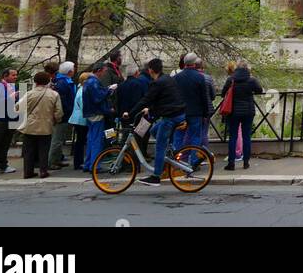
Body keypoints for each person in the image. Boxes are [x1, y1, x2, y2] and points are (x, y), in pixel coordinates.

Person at [127, 58, 185, 186]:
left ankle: (156, 176)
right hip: (178, 114)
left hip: (171, 117)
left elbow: (146, 99)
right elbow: (166, 99)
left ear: (150, 70)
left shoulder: (157, 83)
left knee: (159, 145)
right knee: (154, 130)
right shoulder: (168, 79)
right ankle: (169, 153)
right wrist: (151, 109)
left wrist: (130, 113)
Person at [16, 71, 63, 179]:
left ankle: (28, 172)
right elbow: (58, 111)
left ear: (35, 81)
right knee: (44, 150)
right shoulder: (54, 94)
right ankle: (43, 171)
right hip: (46, 125)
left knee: (29, 150)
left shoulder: (29, 94)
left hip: (30, 126)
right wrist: (56, 120)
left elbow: (17, 108)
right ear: (48, 81)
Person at [220, 59, 263, 171]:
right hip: (248, 111)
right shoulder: (251, 79)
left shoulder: (231, 79)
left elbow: (223, 93)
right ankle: (246, 162)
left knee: (233, 137)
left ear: (237, 68)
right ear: (247, 68)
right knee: (246, 137)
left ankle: (231, 163)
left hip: (233, 112)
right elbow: (259, 90)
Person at [172, 54, 212, 166]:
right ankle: (194, 162)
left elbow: (174, 96)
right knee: (196, 137)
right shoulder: (199, 77)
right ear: (194, 63)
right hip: (196, 112)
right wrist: (205, 113)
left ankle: (177, 161)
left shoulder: (177, 77)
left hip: (180, 112)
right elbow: (204, 97)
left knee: (179, 137)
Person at [81, 65, 117, 170]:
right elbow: (98, 98)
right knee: (97, 140)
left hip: (89, 114)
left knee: (91, 139)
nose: (104, 74)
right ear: (99, 71)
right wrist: (109, 89)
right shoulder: (94, 82)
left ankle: (88, 163)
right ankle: (95, 165)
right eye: (104, 71)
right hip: (96, 114)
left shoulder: (88, 82)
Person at [48, 61, 76, 169]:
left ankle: (57, 159)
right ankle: (51, 162)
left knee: (59, 138)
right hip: (63, 115)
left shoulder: (63, 81)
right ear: (70, 71)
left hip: (64, 114)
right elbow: (63, 102)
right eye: (73, 69)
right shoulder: (63, 83)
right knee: (57, 139)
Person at [69, 72, 89, 170]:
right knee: (81, 141)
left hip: (77, 118)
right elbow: (83, 106)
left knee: (80, 141)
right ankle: (78, 162)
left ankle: (78, 161)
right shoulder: (83, 91)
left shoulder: (80, 89)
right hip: (81, 119)